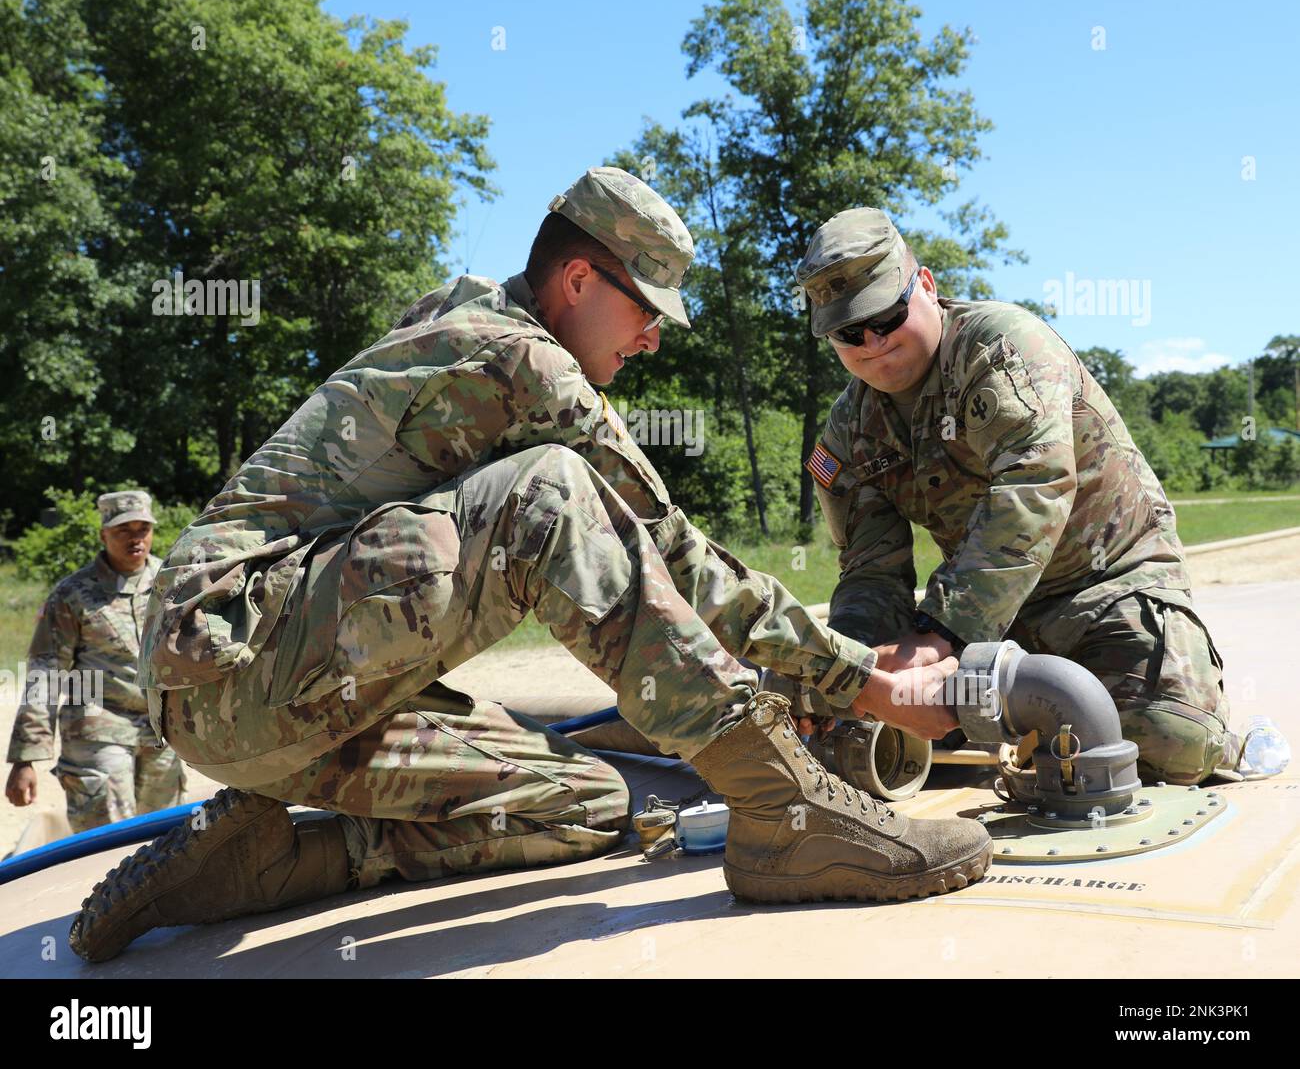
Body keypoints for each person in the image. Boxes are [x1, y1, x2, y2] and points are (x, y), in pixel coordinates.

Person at [69, 169, 990, 962]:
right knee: (547, 492)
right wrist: (862, 680)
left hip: (278, 695)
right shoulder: (517, 357)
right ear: (579, 279)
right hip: (232, 665)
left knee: (586, 805)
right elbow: (671, 551)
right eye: (646, 310)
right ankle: (784, 812)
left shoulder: (466, 317)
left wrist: (820, 669)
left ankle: (272, 863)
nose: (653, 338)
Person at [795, 207, 1233, 784]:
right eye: (850, 332)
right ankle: (1017, 723)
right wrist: (849, 669)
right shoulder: (848, 433)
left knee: (1172, 740)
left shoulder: (1001, 347)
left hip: (1104, 589)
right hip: (992, 622)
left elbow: (1034, 486)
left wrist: (939, 638)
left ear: (924, 284)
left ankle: (1202, 731)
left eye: (888, 316)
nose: (873, 343)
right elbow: (870, 572)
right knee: (865, 732)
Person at [5, 491, 187, 833]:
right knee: (107, 843)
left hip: (161, 731)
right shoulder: (72, 594)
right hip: (97, 730)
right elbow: (45, 673)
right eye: (123, 530)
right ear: (103, 534)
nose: (136, 538)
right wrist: (25, 757)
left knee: (165, 841)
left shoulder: (173, 583)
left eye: (143, 529)